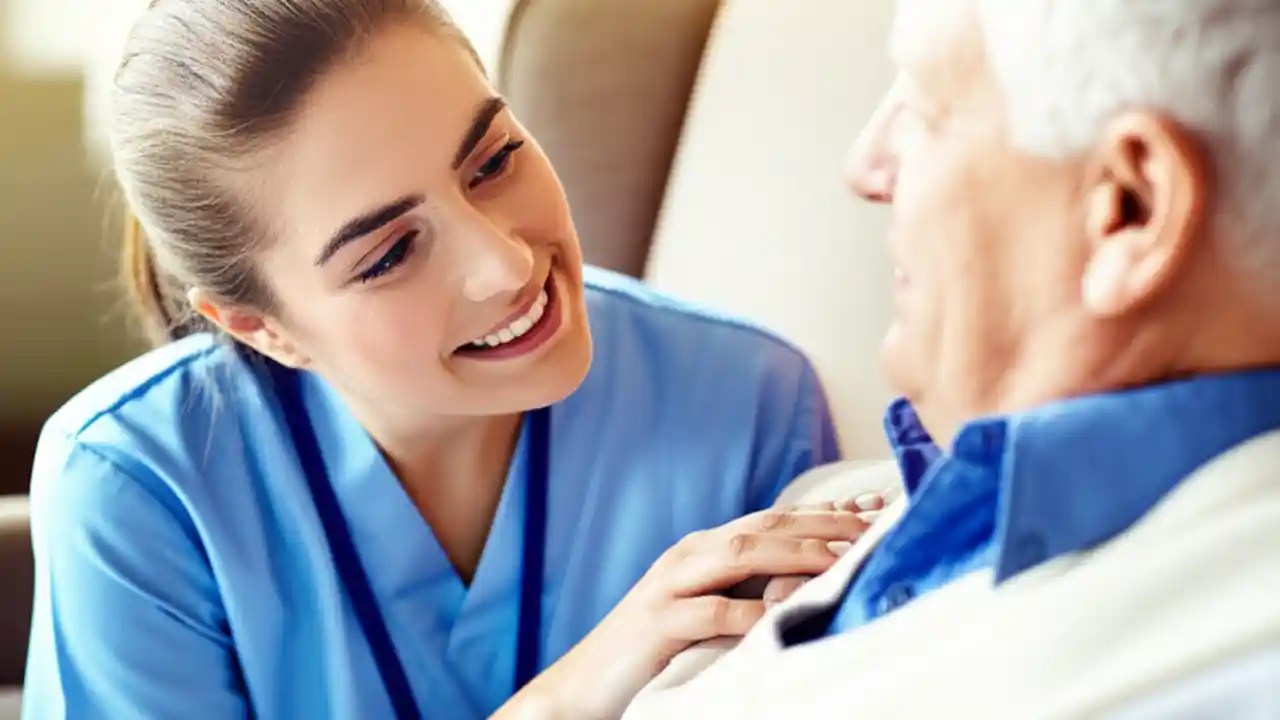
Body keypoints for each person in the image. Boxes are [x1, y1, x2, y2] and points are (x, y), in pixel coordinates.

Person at [20, 2, 881, 718]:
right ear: (260, 328)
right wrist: (575, 693)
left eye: (495, 159)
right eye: (390, 254)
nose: (507, 264)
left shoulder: (745, 403)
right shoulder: (136, 485)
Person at [625, 0, 1280, 717]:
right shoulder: (862, 496)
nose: (866, 168)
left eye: (925, 109)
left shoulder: (1219, 653)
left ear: (1129, 207)